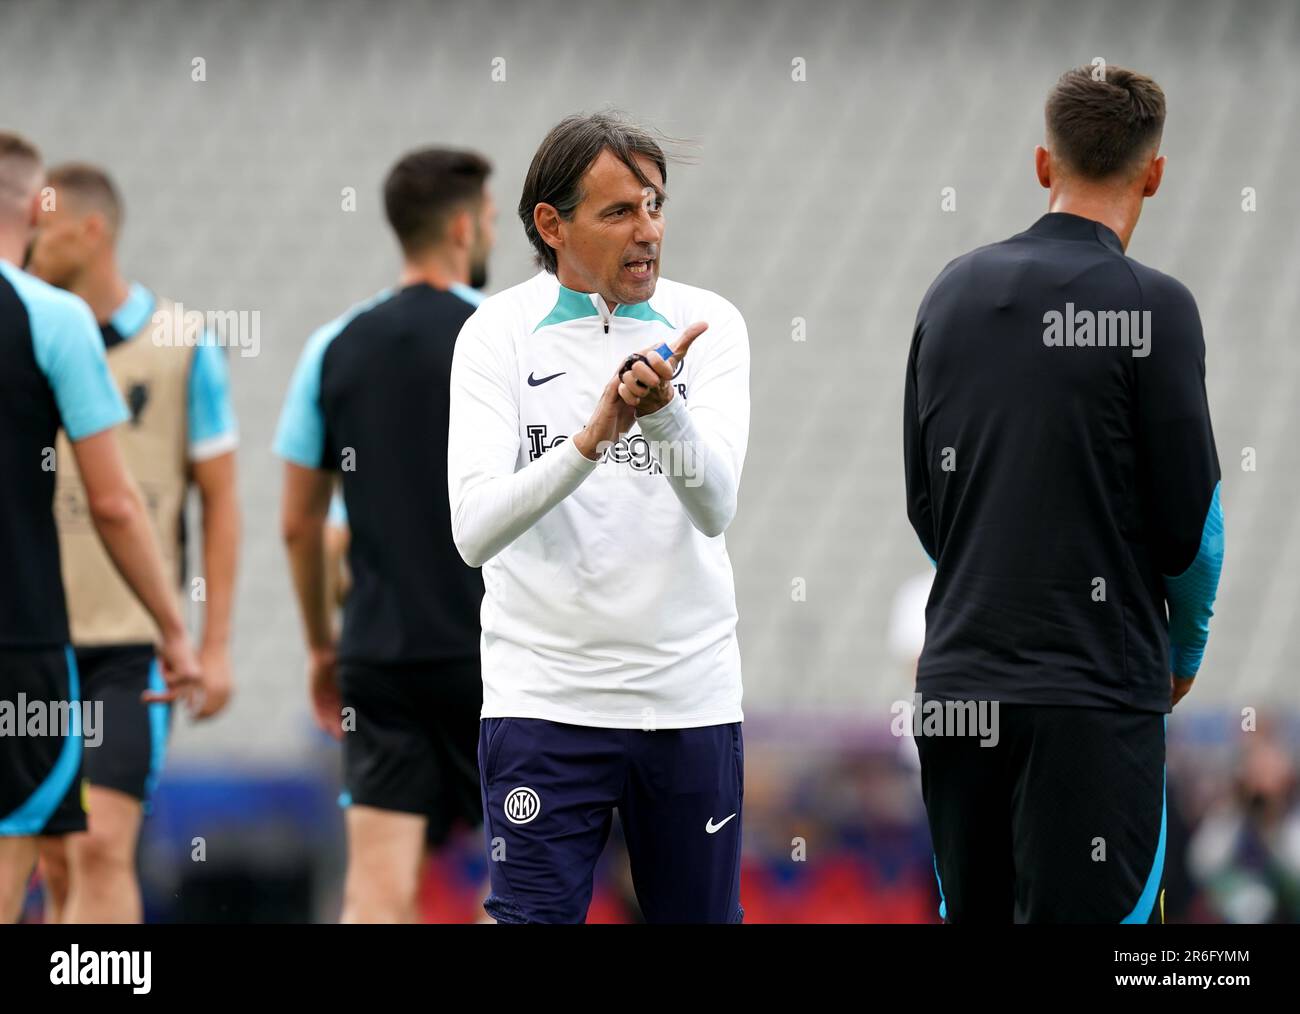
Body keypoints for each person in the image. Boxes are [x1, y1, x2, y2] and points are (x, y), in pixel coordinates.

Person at [903, 66, 1223, 922]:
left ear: (1044, 165)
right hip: (1093, 700)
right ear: (1153, 174)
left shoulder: (950, 290)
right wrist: (1182, 658)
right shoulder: (1157, 306)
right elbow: (1196, 533)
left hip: (958, 695)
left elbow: (929, 510)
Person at [447, 111, 750, 923]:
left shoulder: (710, 327)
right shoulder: (493, 335)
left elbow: (715, 504)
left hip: (688, 702)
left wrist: (661, 415)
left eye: (654, 205)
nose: (647, 230)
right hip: (544, 705)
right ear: (552, 225)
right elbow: (473, 530)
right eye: (619, 212)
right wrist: (590, 439)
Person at [276, 147, 494, 922]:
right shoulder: (500, 338)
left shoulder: (333, 345)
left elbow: (299, 523)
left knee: (377, 886)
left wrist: (320, 647)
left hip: (380, 654)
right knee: (520, 880)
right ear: (467, 226)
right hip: (496, 656)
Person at [25, 161, 240, 923]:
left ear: (92, 231)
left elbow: (220, 502)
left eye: (40, 228)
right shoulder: (29, 333)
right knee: (47, 854)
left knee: (99, 845)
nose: (26, 240)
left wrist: (211, 645)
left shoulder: (180, 342)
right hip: (36, 636)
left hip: (129, 646)